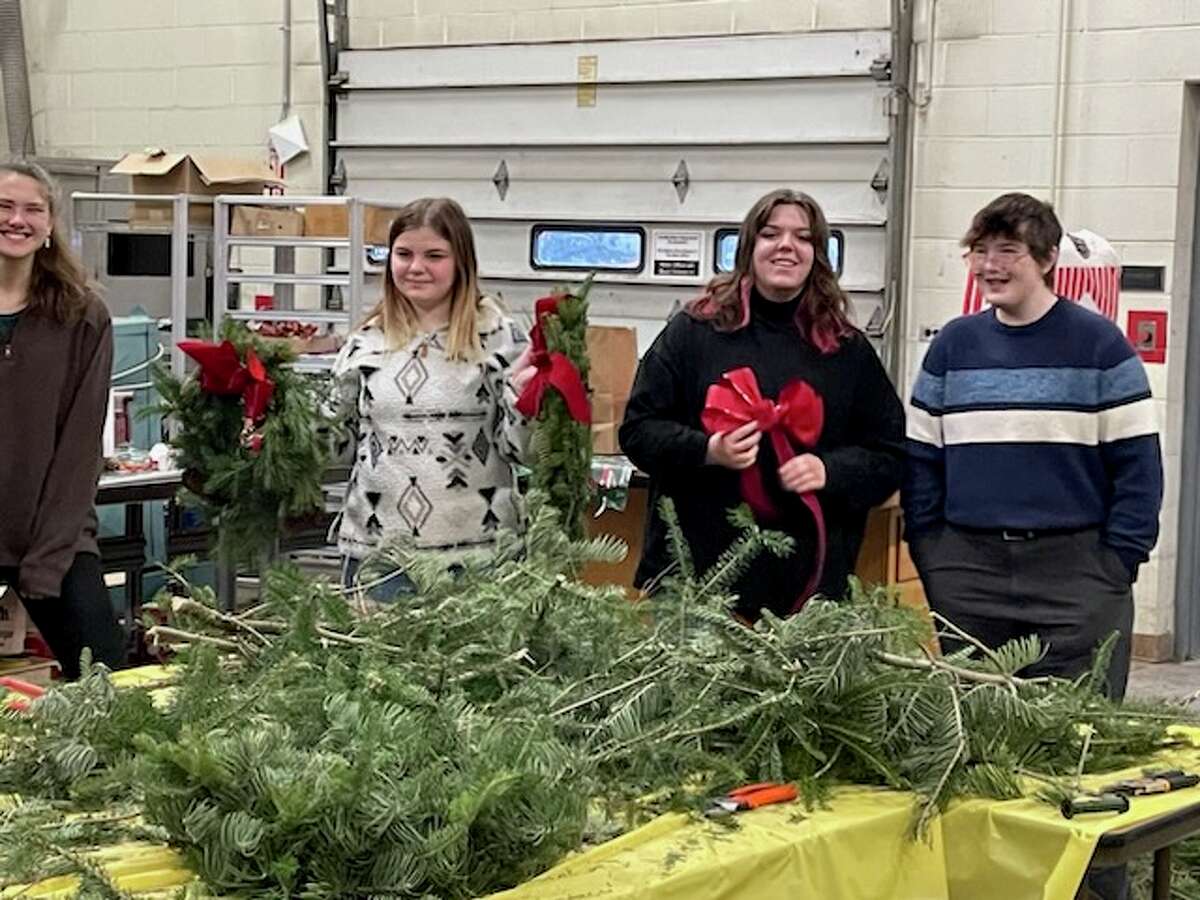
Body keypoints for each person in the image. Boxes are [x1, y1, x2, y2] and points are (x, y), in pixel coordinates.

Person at [903, 192, 1162, 703]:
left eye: (1007, 250)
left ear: (1046, 259)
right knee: (978, 736)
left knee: (1079, 731)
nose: (989, 266)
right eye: (979, 251)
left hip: (1077, 577)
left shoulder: (1101, 347)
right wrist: (933, 554)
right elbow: (920, 462)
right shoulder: (952, 348)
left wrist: (1117, 563)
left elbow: (1138, 470)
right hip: (968, 574)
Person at [619, 188, 906, 619]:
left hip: (807, 593)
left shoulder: (846, 350)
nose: (787, 245)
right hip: (694, 585)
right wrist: (708, 451)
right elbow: (638, 431)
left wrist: (830, 470)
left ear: (818, 255)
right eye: (771, 234)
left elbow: (891, 455)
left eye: (803, 237)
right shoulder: (693, 333)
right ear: (750, 247)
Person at [329, 197, 534, 599]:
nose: (416, 267)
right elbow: (335, 447)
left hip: (480, 563)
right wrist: (269, 420)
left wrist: (528, 403)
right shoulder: (365, 341)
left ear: (461, 262)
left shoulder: (498, 337)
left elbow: (526, 452)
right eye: (403, 254)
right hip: (379, 561)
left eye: (434, 255)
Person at [0, 159, 126, 679]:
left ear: (50, 225)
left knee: (106, 684)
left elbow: (79, 446)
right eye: (5, 207)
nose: (18, 220)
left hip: (53, 534)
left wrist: (49, 558)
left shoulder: (82, 316)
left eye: (33, 209)